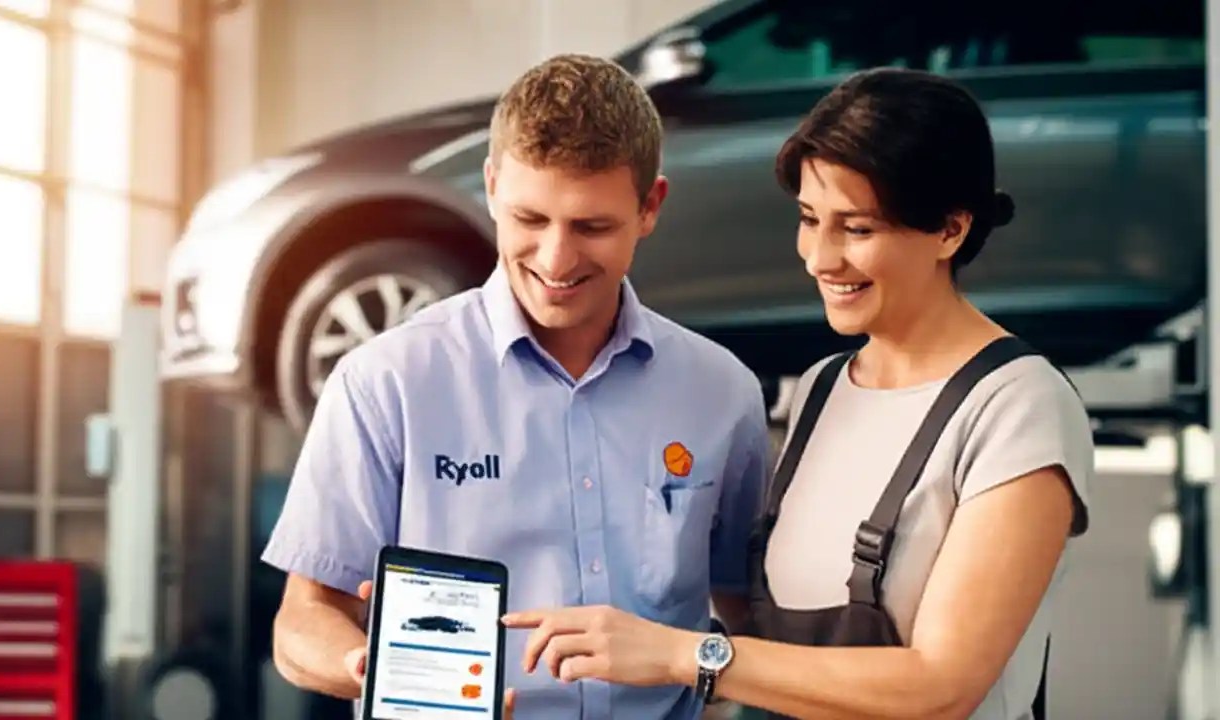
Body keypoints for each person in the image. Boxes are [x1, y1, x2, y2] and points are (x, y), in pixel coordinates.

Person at [502, 67, 1094, 720]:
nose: (819, 257)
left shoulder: (1019, 408)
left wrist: (681, 655)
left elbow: (941, 687)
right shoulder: (819, 391)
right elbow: (772, 654)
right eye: (811, 219)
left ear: (950, 229)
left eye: (858, 229)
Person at [260, 53, 770, 720]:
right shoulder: (384, 384)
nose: (556, 260)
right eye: (530, 220)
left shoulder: (722, 393)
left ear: (651, 206)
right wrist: (374, 669)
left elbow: (745, 617)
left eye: (592, 226)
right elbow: (302, 622)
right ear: (493, 186)